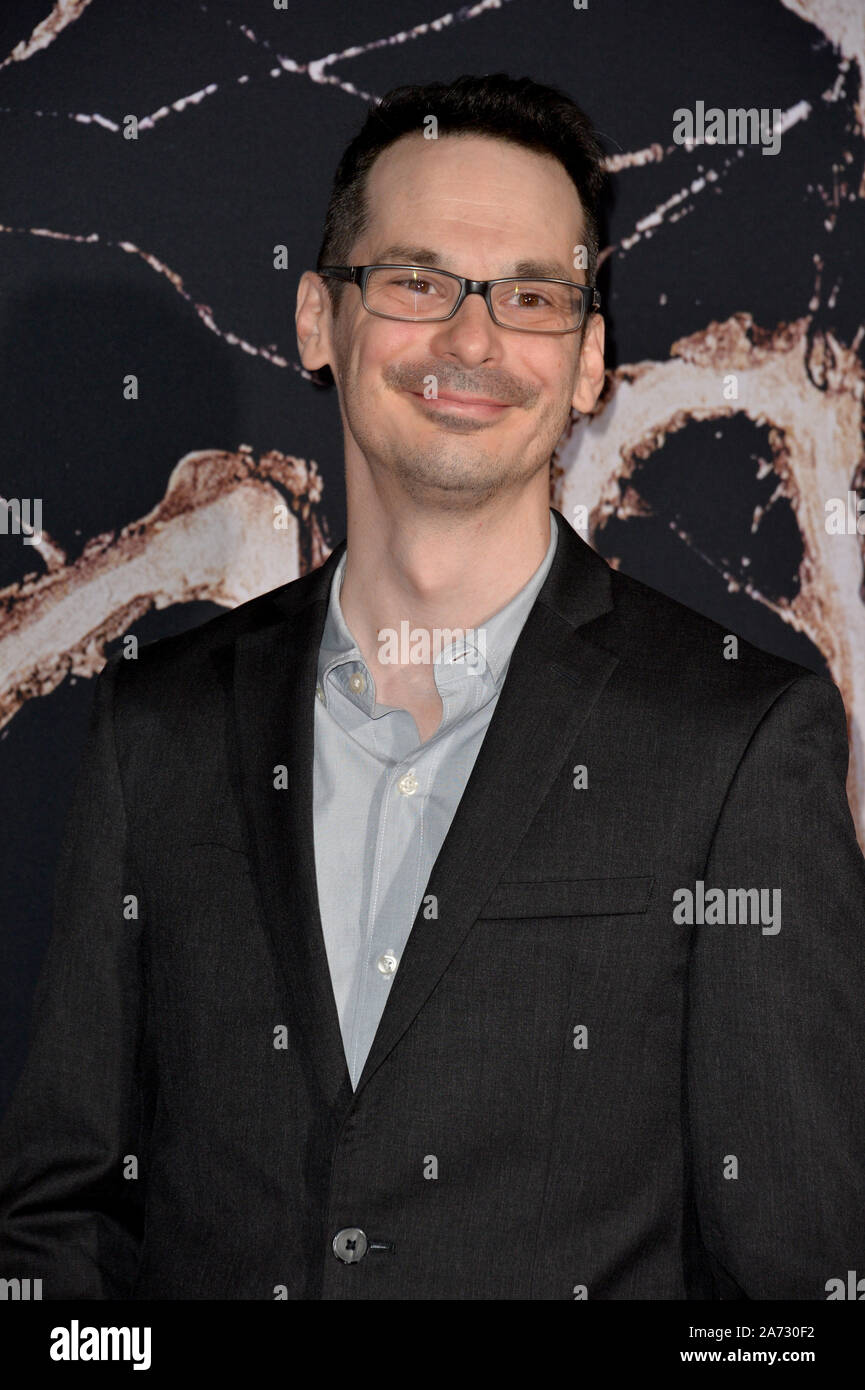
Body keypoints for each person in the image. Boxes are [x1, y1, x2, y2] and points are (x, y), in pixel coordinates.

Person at [1, 73, 863, 1301]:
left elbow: (798, 1294)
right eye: (417, 281)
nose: (473, 340)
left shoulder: (735, 739)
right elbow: (66, 1219)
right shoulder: (161, 724)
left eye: (531, 297)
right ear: (317, 320)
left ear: (586, 362)